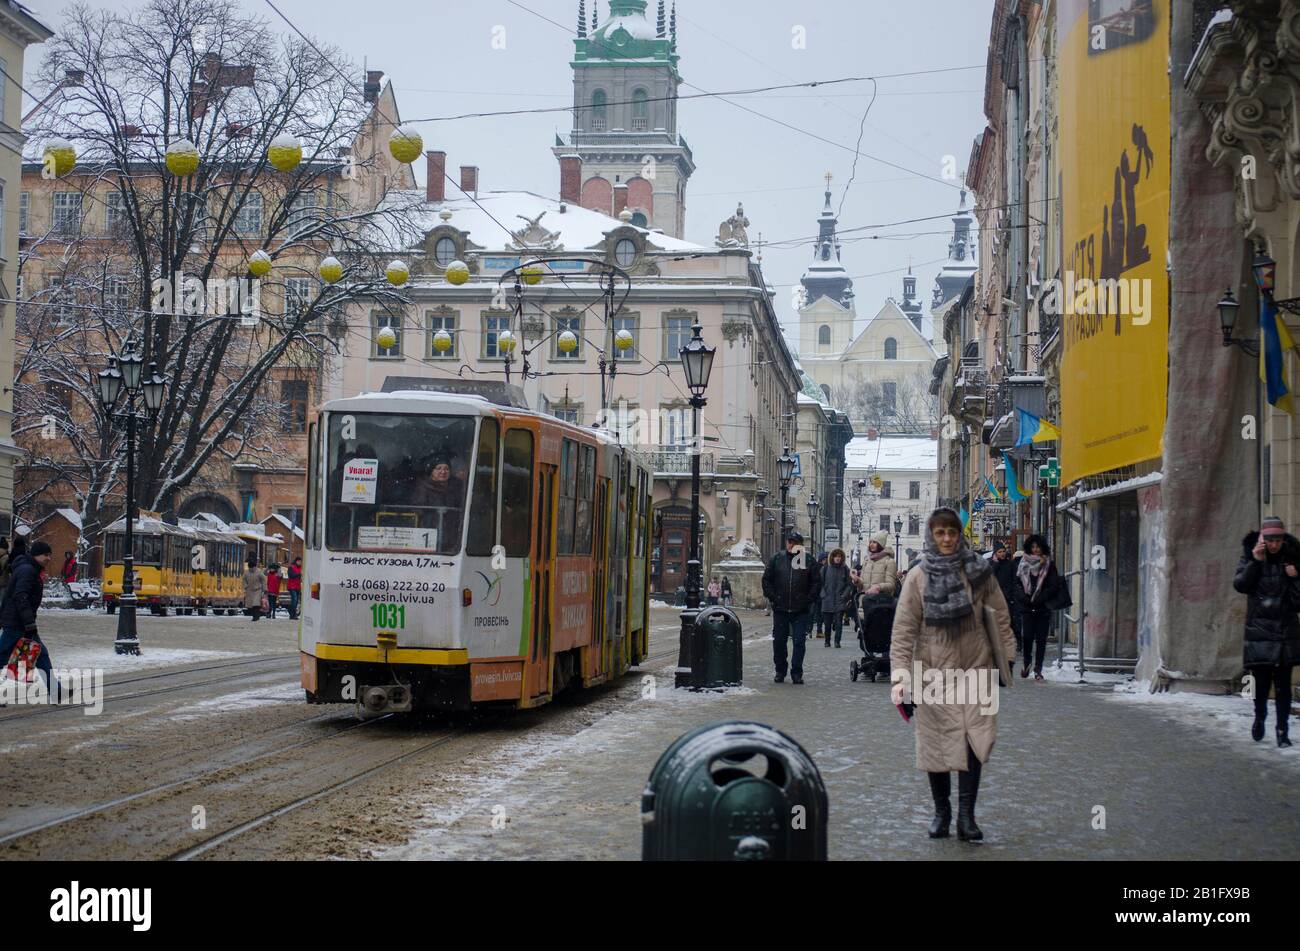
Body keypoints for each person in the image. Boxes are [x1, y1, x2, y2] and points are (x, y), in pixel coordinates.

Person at [890, 508, 1015, 842]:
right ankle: (942, 812)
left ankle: (966, 816)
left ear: (960, 535)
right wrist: (900, 678)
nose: (946, 539)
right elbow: (903, 630)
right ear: (932, 536)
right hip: (932, 671)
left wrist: (1008, 659)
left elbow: (1000, 615)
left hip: (977, 666)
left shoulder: (980, 571)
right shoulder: (918, 576)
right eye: (940, 533)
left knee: (976, 738)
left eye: (952, 532)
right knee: (937, 743)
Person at [1233, 515, 1299, 747]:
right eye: (1270, 540)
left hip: (1284, 634)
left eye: (1278, 540)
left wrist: (1296, 578)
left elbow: (1298, 602)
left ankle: (1283, 731)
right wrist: (1255, 561)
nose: (1274, 545)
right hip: (1259, 632)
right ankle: (1259, 717)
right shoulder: (1251, 554)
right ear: (1262, 539)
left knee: (1283, 688)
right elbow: (1241, 585)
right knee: (1258, 686)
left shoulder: (1292, 559)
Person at [762, 531, 822, 684]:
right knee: (779, 641)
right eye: (790, 541)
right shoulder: (777, 559)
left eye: (795, 542)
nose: (791, 545)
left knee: (799, 642)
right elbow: (767, 580)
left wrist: (808, 600)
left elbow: (816, 583)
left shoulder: (808, 560)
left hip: (800, 610)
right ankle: (780, 670)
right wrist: (774, 598)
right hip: (781, 608)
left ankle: (797, 672)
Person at [0, 541, 55, 695]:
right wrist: (29, 622)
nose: (49, 558)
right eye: (46, 555)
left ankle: (56, 690)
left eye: (50, 555)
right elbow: (20, 596)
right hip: (18, 623)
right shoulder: (27, 570)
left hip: (21, 622)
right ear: (36, 555)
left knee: (41, 654)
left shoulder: (29, 568)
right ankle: (56, 690)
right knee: (2, 655)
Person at [1014, 535, 1067, 680]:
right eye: (1033, 547)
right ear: (1029, 548)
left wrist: (1040, 598)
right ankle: (1026, 663)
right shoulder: (1022, 563)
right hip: (1026, 607)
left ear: (1042, 548)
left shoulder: (1049, 565)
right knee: (1028, 637)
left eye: (1038, 547)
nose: (1035, 550)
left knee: (1041, 639)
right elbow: (1017, 584)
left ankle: (1038, 668)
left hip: (1043, 607)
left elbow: (1054, 586)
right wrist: (1024, 598)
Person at [414, 458, 466, 549]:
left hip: (452, 533)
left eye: (446, 469)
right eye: (439, 468)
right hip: (429, 531)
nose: (443, 471)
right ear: (431, 471)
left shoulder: (456, 487)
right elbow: (417, 509)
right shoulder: (423, 488)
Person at [990, 541, 1022, 658]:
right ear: (995, 553)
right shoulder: (992, 565)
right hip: (996, 598)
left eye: (1003, 551)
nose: (1002, 554)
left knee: (1012, 622)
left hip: (1009, 598)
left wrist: (1013, 595)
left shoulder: (1010, 564)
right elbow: (990, 577)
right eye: (999, 552)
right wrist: (996, 563)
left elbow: (1014, 580)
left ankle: (1018, 642)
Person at [820, 548, 854, 648]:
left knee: (839, 623)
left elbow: (849, 585)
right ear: (832, 557)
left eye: (839, 557)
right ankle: (827, 641)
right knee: (827, 624)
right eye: (836, 556)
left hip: (840, 601)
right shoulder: (825, 568)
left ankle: (837, 641)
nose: (838, 558)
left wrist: (844, 595)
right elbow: (819, 583)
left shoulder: (845, 569)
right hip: (827, 601)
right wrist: (823, 595)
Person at [243, 557, 267, 622]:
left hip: (257, 590)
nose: (251, 569)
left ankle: (256, 617)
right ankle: (255, 616)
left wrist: (264, 589)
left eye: (252, 567)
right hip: (249, 590)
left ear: (255, 567)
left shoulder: (259, 572)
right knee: (250, 605)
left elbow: (264, 580)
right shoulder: (246, 573)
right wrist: (245, 586)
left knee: (256, 604)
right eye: (250, 568)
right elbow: (244, 580)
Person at [813, 551, 830, 639]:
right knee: (820, 613)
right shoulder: (820, 568)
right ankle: (819, 630)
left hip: (820, 595)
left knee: (820, 613)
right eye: (824, 559)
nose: (826, 561)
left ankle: (818, 630)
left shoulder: (827, 568)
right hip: (820, 595)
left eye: (827, 559)